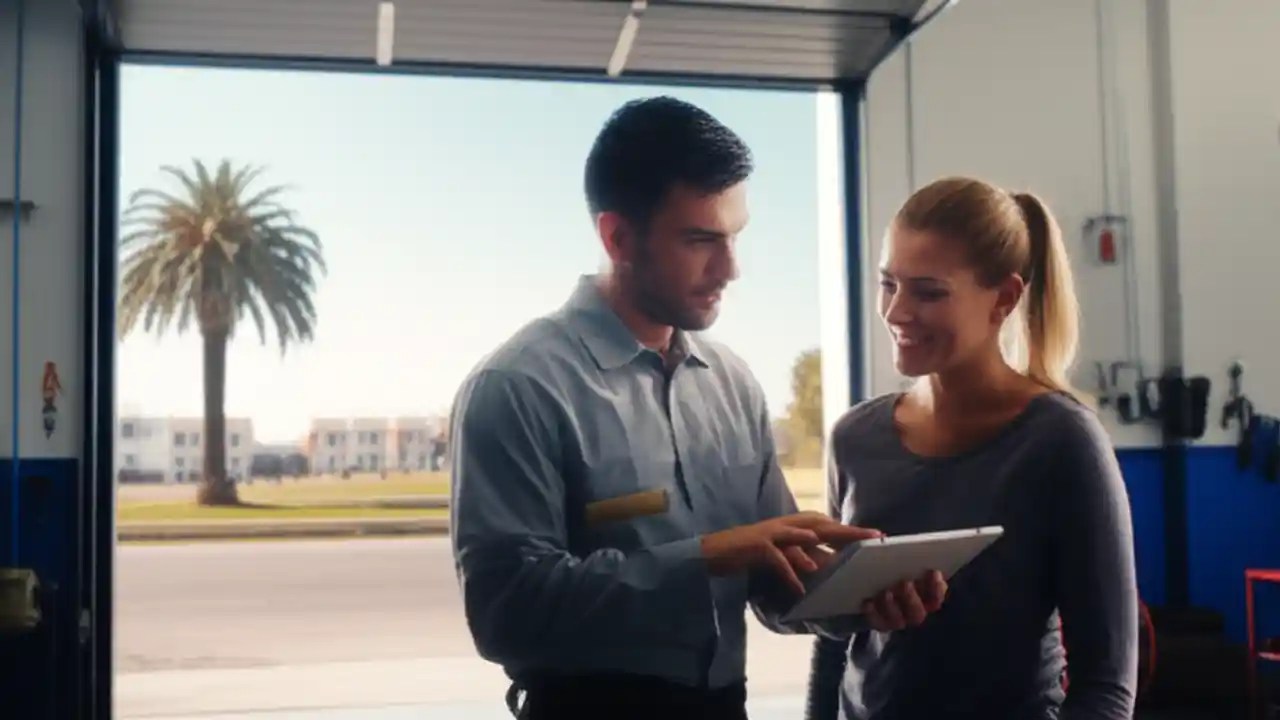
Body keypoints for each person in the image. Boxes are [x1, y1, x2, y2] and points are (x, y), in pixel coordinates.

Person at [448, 97, 947, 720]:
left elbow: (774, 584)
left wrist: (858, 598)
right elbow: (506, 615)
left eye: (735, 236)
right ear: (617, 236)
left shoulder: (733, 383)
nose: (731, 268)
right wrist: (711, 554)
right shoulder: (517, 387)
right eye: (701, 240)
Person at [804, 176, 1139, 720]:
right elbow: (834, 643)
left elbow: (1106, 685)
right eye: (889, 284)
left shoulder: (1061, 440)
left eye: (928, 292)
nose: (895, 312)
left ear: (1004, 298)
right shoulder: (854, 438)